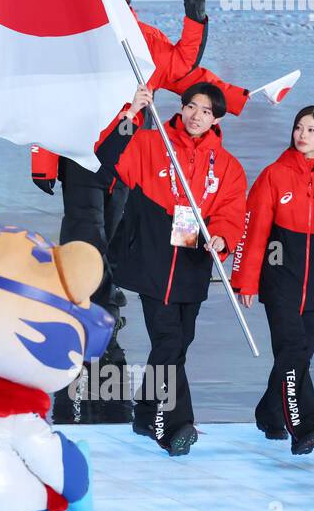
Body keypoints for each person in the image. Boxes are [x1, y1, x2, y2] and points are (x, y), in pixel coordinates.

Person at [32, 0, 273, 344]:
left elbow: (185, 71)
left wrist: (197, 26)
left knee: (118, 233)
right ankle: (90, 306)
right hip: (84, 151)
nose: (109, 0)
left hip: (133, 152)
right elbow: (49, 105)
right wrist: (42, 160)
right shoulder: (72, 42)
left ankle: (107, 294)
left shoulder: (143, 40)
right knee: (85, 229)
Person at [104, 82, 248, 456]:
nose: (196, 115)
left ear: (217, 118)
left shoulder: (228, 166)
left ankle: (145, 410)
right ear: (181, 108)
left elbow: (231, 213)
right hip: (151, 257)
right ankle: (171, 427)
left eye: (205, 111)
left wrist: (220, 238)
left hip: (192, 261)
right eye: (191, 107)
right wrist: (131, 112)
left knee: (180, 343)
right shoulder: (154, 143)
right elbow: (109, 155)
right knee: (168, 341)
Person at [232, 106, 314, 455]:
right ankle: (304, 428)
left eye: (310, 130)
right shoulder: (274, 175)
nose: (302, 135)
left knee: (298, 355)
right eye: (298, 128)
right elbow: (254, 231)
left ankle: (269, 413)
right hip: (280, 283)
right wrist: (245, 280)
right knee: (293, 351)